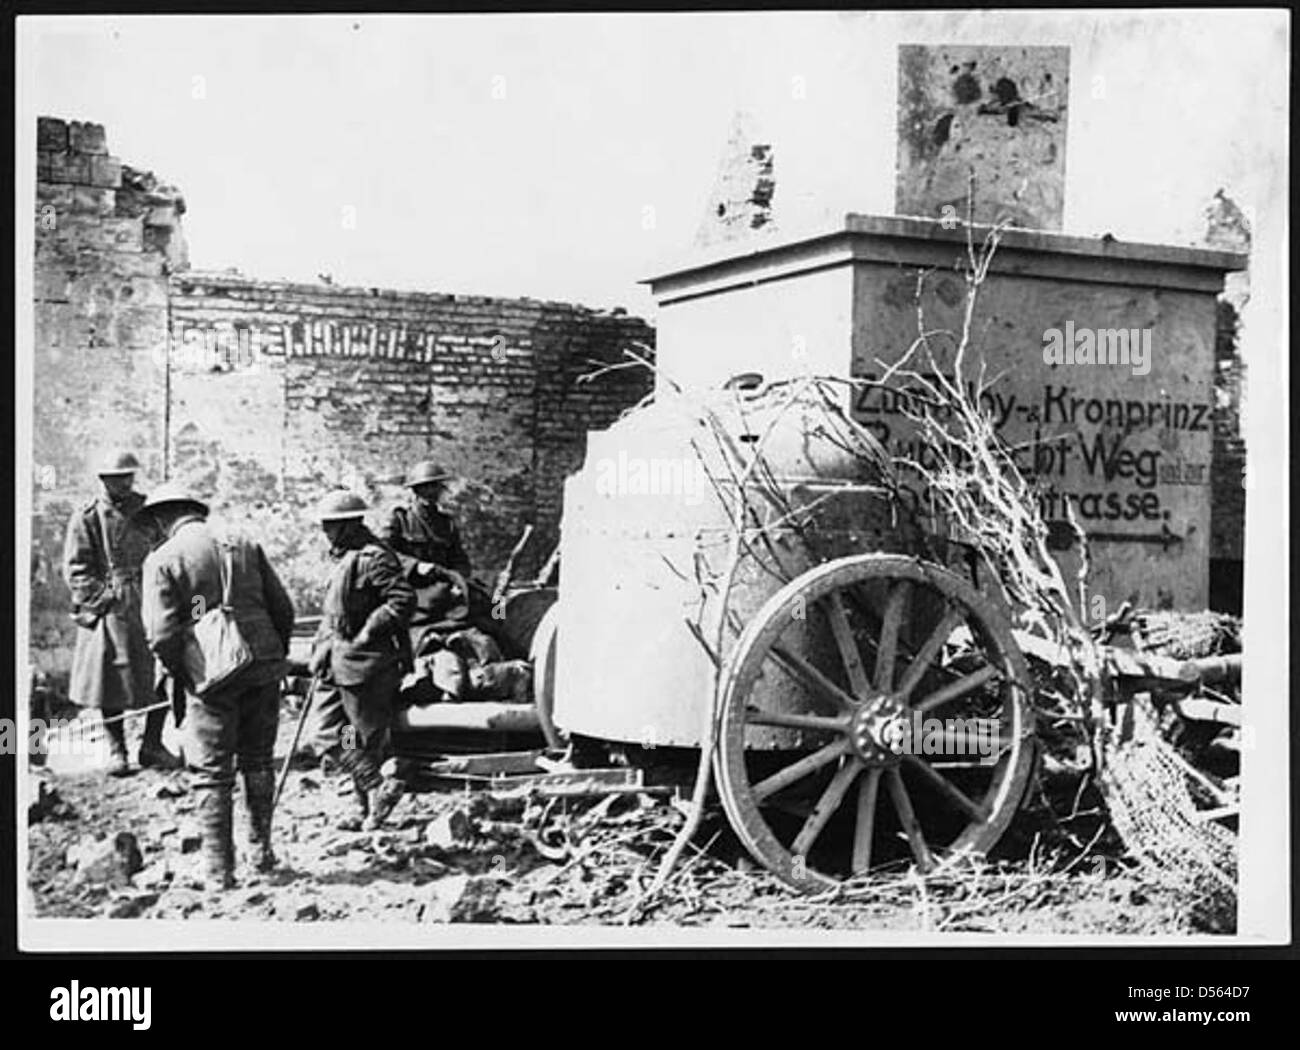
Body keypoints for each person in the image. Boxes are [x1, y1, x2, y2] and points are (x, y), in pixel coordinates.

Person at [138, 482, 295, 890]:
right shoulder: (243, 543)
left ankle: (218, 871)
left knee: (211, 772)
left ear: (162, 518)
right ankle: (262, 854)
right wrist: (270, 655)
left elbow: (160, 634)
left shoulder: (162, 558)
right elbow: (283, 608)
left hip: (211, 676)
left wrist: (185, 672)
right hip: (263, 666)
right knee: (258, 760)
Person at [62, 450, 181, 776]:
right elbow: (77, 569)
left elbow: (167, 547)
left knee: (165, 667)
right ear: (104, 480)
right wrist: (104, 599)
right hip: (113, 606)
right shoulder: (87, 516)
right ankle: (118, 750)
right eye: (118, 479)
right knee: (110, 680)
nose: (125, 484)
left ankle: (152, 745)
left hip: (153, 594)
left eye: (129, 477)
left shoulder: (148, 509)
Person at [309, 491, 414, 831]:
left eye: (330, 525)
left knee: (364, 738)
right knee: (331, 734)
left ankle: (367, 808)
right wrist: (322, 650)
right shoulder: (345, 557)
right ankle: (375, 788)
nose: (325, 532)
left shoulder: (374, 557)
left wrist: (368, 632)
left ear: (349, 525)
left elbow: (402, 600)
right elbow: (334, 613)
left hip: (367, 665)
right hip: (337, 660)